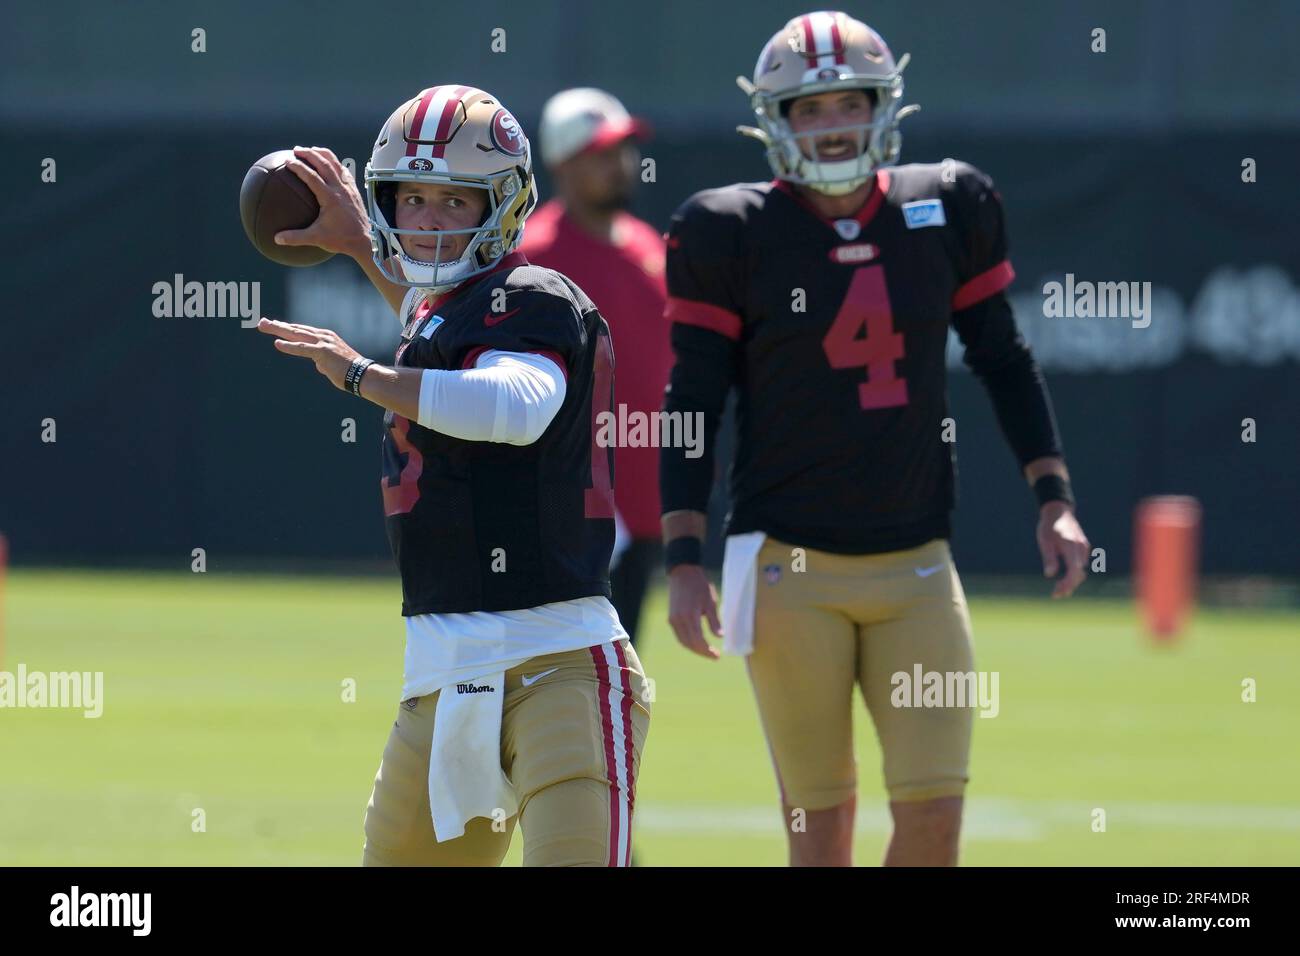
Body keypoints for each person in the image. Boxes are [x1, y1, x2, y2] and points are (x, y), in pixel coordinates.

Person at [659, 13, 1091, 866]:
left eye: (848, 102)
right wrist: (682, 557)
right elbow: (692, 397)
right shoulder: (730, 228)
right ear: (775, 121)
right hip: (788, 567)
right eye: (808, 108)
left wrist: (1056, 501)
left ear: (884, 106)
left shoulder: (946, 203)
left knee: (934, 826)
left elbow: (1002, 357)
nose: (831, 125)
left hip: (919, 562)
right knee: (820, 834)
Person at [262, 85, 650, 866]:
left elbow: (513, 406)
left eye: (453, 199)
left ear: (502, 204)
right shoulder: (446, 314)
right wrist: (356, 247)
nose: (429, 220)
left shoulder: (536, 297)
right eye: (411, 198)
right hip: (442, 677)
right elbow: (433, 326)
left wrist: (357, 373)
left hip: (559, 668)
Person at [519, 88, 670, 645]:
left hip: (643, 495)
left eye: (623, 149)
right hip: (564, 501)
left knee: (619, 674)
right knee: (551, 678)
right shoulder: (533, 253)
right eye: (600, 153)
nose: (619, 164)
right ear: (562, 164)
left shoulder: (651, 249)